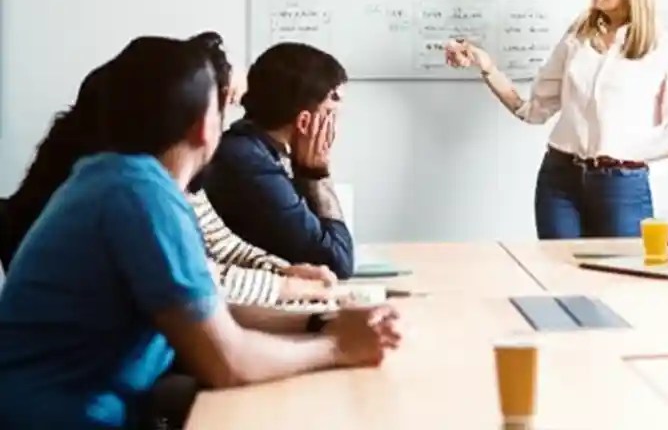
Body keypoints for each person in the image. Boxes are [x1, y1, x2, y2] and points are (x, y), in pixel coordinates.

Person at [0, 36, 400, 429]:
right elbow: (227, 361)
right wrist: (338, 346)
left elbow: (203, 309)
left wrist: (321, 323)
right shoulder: (139, 196)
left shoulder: (122, 179)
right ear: (204, 127)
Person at [0, 32, 336, 305]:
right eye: (223, 104)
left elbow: (220, 248)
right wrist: (290, 288)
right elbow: (199, 279)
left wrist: (286, 273)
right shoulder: (130, 186)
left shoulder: (161, 173)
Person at [445, 0, 668, 239]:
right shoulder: (578, 38)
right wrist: (486, 66)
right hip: (560, 180)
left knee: (619, 281)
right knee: (557, 278)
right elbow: (532, 111)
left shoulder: (665, 47)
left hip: (622, 186)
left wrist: (623, 152)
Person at [203, 42, 355, 278]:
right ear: (305, 122)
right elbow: (337, 261)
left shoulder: (253, 149)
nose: (335, 126)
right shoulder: (249, 164)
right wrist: (316, 175)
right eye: (331, 113)